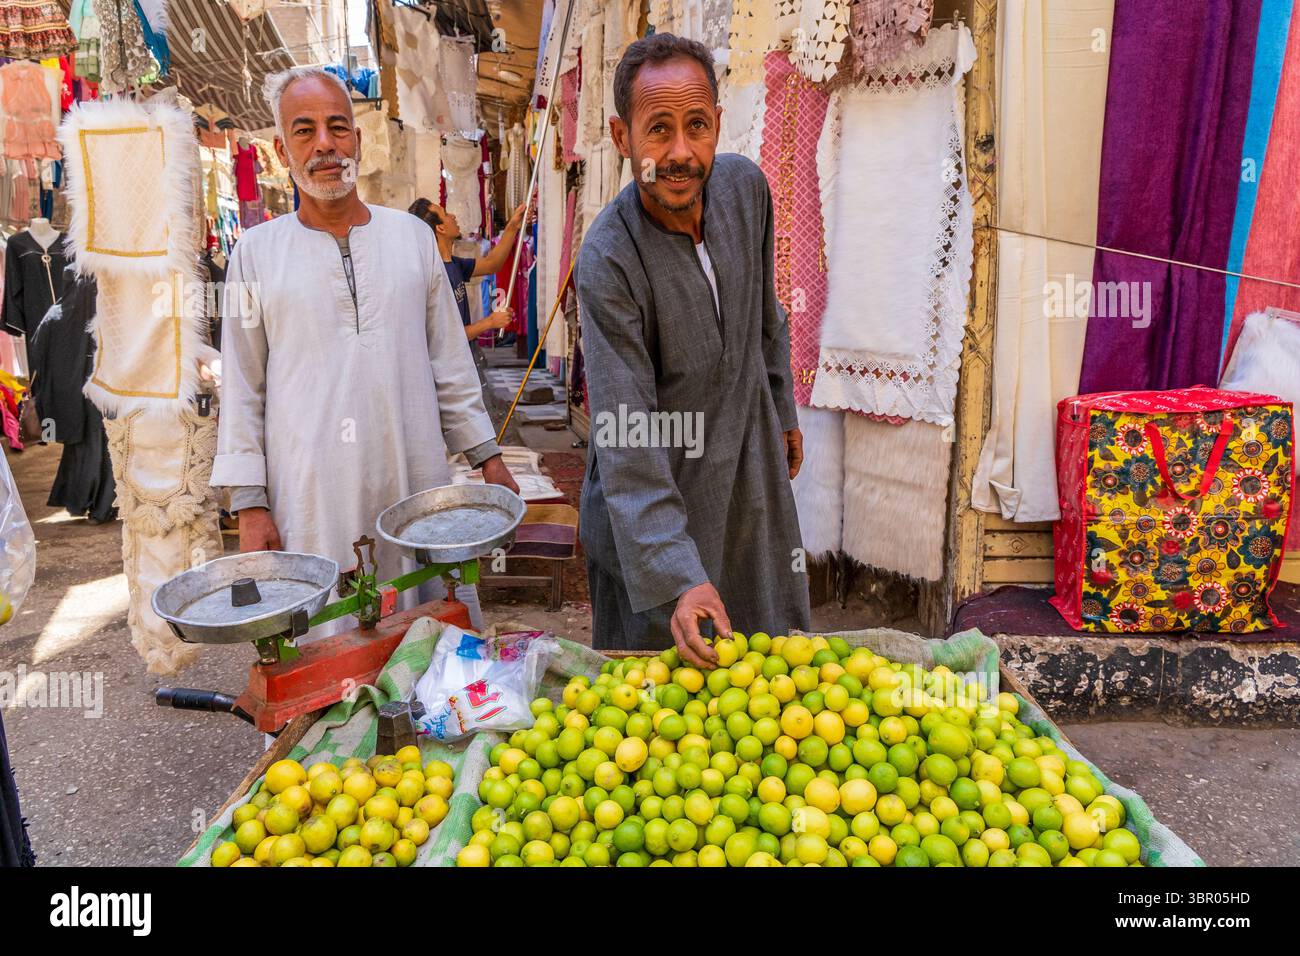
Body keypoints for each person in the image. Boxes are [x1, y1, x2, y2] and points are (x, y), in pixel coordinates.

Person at [211, 66, 518, 635]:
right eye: (304, 131)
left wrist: (487, 457)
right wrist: (249, 504)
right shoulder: (255, 254)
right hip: (310, 487)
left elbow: (450, 363)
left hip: (413, 468)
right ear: (282, 150)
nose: (324, 144)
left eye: (337, 127)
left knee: (427, 631)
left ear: (357, 138)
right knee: (326, 639)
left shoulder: (413, 239)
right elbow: (244, 386)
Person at [575, 33, 811, 668]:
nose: (680, 154)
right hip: (652, 488)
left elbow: (766, 315)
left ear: (717, 124)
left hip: (747, 466)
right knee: (664, 690)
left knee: (768, 667)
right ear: (622, 137)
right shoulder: (607, 260)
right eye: (658, 130)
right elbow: (626, 434)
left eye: (697, 126)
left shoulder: (745, 190)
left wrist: (782, 409)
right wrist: (677, 574)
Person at [409, 198, 528, 443]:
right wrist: (490, 322)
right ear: (440, 228)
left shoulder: (453, 265)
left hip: (467, 356)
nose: (453, 216)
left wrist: (513, 227)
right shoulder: (435, 274)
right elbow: (445, 337)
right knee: (473, 426)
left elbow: (493, 263)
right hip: (451, 364)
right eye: (444, 213)